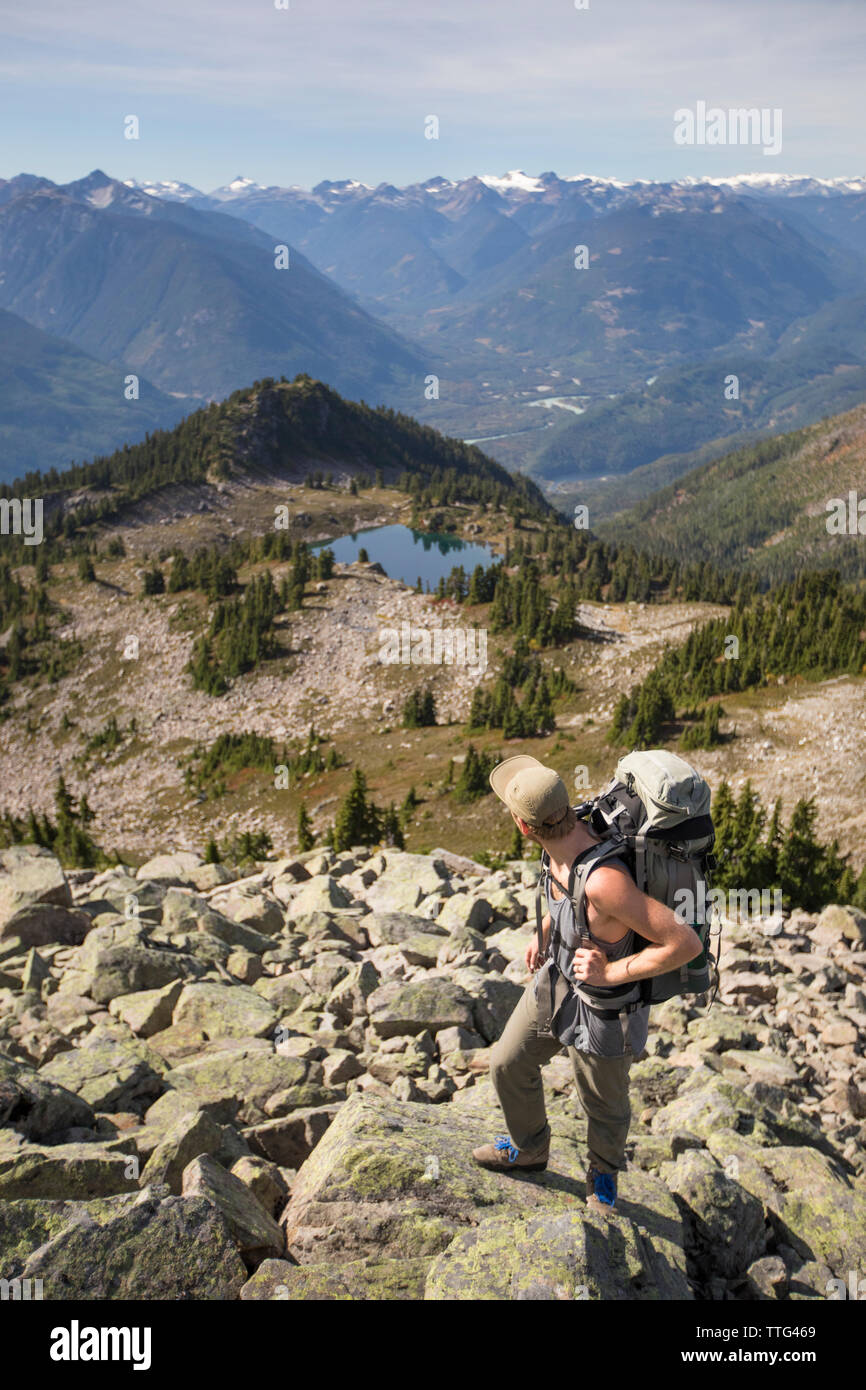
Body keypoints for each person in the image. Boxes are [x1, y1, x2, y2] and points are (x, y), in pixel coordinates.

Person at [472, 755, 702, 1210]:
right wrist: (543, 934)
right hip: (558, 977)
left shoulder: (606, 882)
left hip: (607, 1006)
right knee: (507, 1064)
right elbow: (561, 894)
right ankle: (530, 1147)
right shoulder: (557, 838)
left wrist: (612, 971)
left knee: (604, 1105)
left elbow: (685, 942)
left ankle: (602, 1175)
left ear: (524, 825)